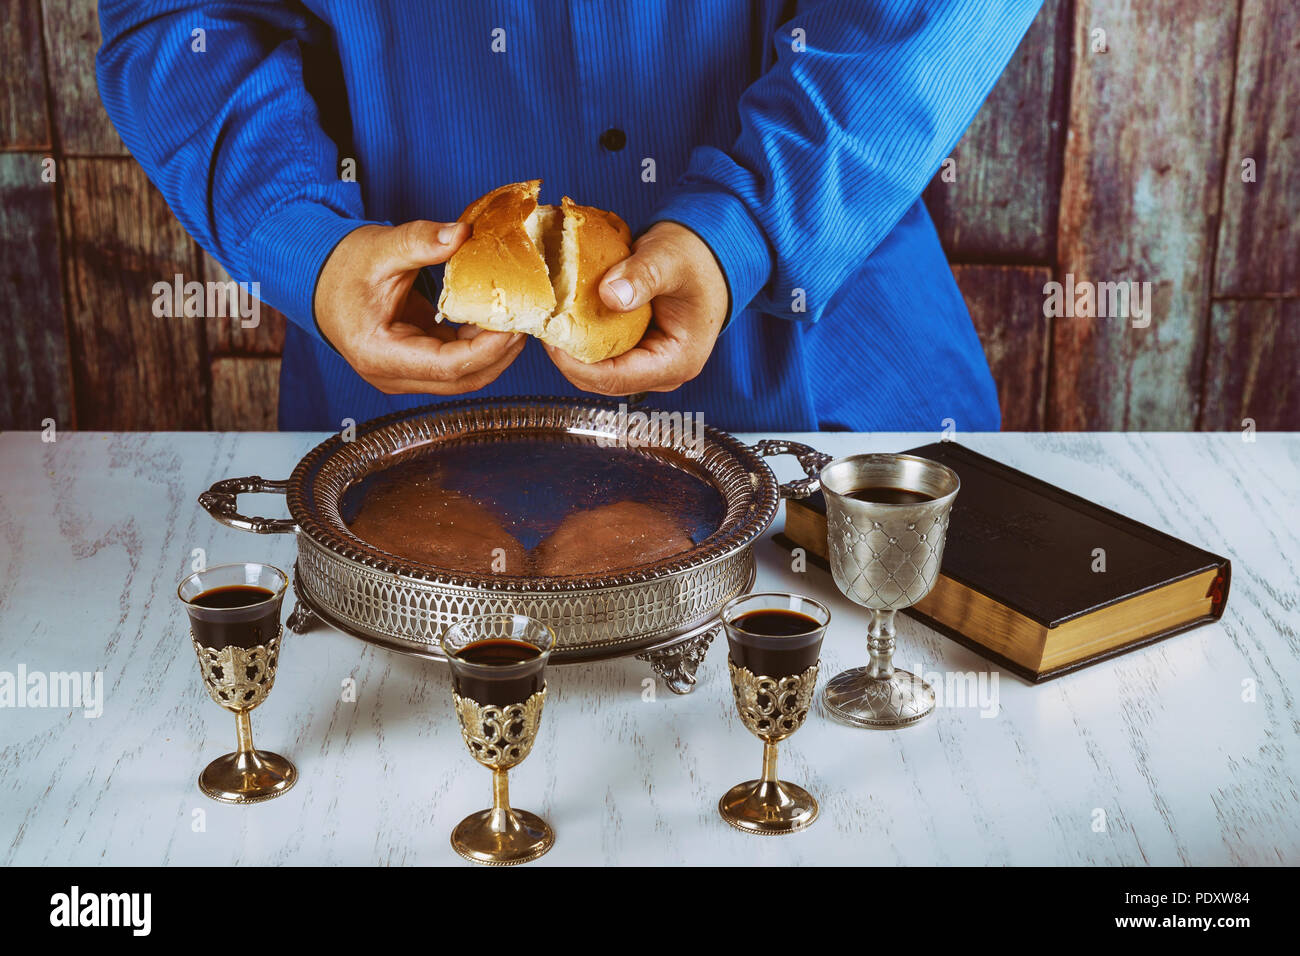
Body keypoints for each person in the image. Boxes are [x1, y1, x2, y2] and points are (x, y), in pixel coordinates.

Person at [97, 1, 1041, 433]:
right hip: (408, 450)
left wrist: (750, 223)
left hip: (831, 423)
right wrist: (301, 236)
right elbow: (174, 20)